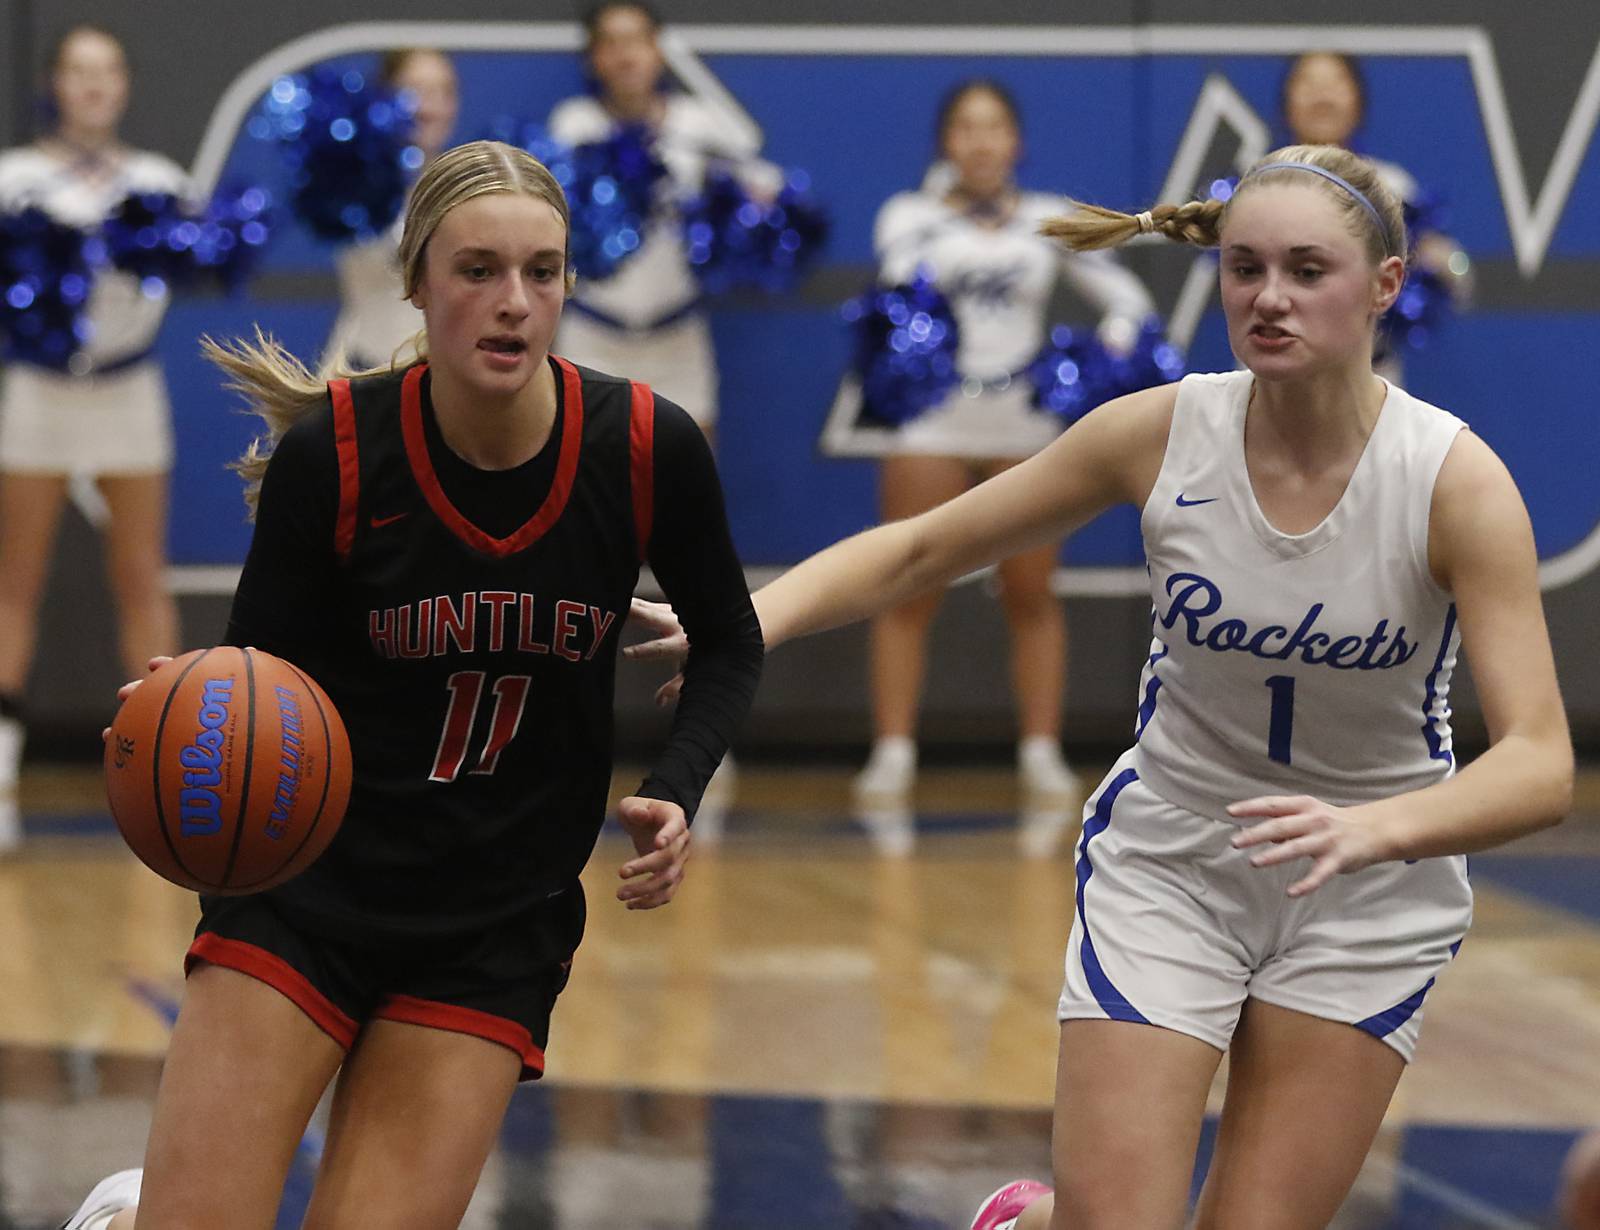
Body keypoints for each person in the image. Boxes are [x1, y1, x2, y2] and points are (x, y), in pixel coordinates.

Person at [629, 142, 1572, 1230]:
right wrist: (742, 627)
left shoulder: (1453, 483)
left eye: (1307, 271)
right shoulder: (1163, 432)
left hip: (1369, 886)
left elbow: (1541, 763)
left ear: (1385, 287)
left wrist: (1375, 829)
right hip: (1175, 857)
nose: (1267, 298)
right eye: (1243, 267)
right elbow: (920, 551)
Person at [61, 138, 761, 1230]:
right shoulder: (336, 456)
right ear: (418, 282)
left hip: (493, 922)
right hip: (305, 899)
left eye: (543, 270)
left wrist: (678, 784)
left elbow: (729, 637)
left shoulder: (642, 446)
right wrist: (189, 711)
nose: (514, 302)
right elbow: (259, 684)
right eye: (477, 269)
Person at [826, 80, 1154, 849]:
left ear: (1016, 141)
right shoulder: (911, 215)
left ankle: (1040, 752)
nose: (980, 142)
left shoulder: (1047, 216)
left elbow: (1128, 296)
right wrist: (943, 215)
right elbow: (892, 281)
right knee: (906, 584)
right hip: (933, 417)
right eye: (965, 129)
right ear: (946, 142)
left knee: (1032, 590)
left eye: (994, 128)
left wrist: (1108, 338)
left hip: (1022, 417)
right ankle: (893, 752)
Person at [547, 0, 771, 833]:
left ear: (658, 52)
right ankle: (569, 724)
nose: (626, 56)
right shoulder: (572, 127)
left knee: (690, 542)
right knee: (578, 538)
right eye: (610, 43)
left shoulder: (703, 127)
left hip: (680, 341)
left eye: (638, 41)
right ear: (596, 59)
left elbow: (768, 197)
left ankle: (707, 726)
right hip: (592, 337)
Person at [0, 24, 185, 851]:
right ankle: (1, 780)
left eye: (107, 71)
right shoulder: (14, 179)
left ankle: (173, 776)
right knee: (15, 582)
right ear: (56, 85)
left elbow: (201, 262)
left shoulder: (158, 181)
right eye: (78, 72)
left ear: (125, 86)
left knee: (142, 576)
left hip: (127, 390)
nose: (94, 86)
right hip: (40, 390)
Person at [1281, 51, 1473, 381]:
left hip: (1370, 379)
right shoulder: (1257, 183)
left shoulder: (1392, 187)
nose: (1321, 94)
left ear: (1359, 101)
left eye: (1336, 83)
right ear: (1286, 102)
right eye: (1308, 83)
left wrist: (1441, 266)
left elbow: (1457, 279)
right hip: (1275, 375)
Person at [323, 47, 460, 371]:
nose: (432, 105)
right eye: (416, 91)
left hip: (443, 381)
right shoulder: (355, 179)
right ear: (384, 99)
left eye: (444, 91)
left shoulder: (465, 187)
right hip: (364, 374)